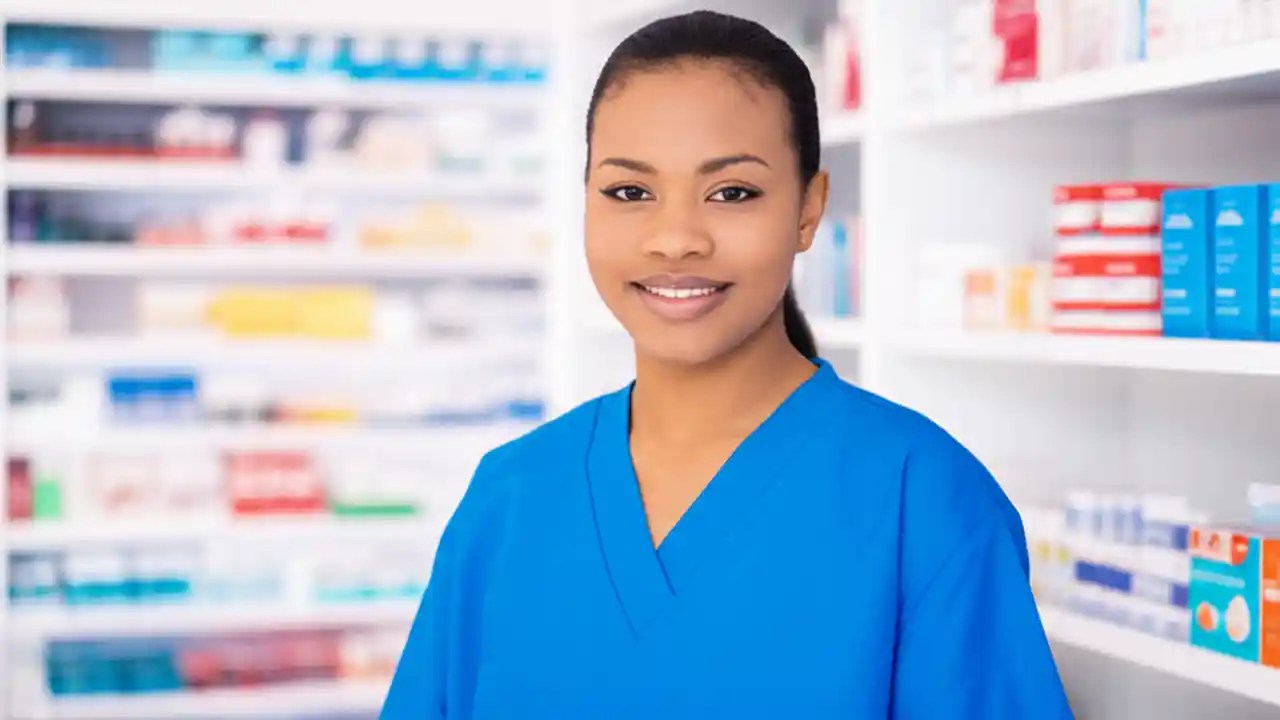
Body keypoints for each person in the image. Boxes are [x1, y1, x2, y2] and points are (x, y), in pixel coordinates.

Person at [382, 10, 1072, 720]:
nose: (675, 238)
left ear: (808, 211)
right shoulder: (510, 497)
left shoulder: (926, 501)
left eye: (732, 193)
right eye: (630, 192)